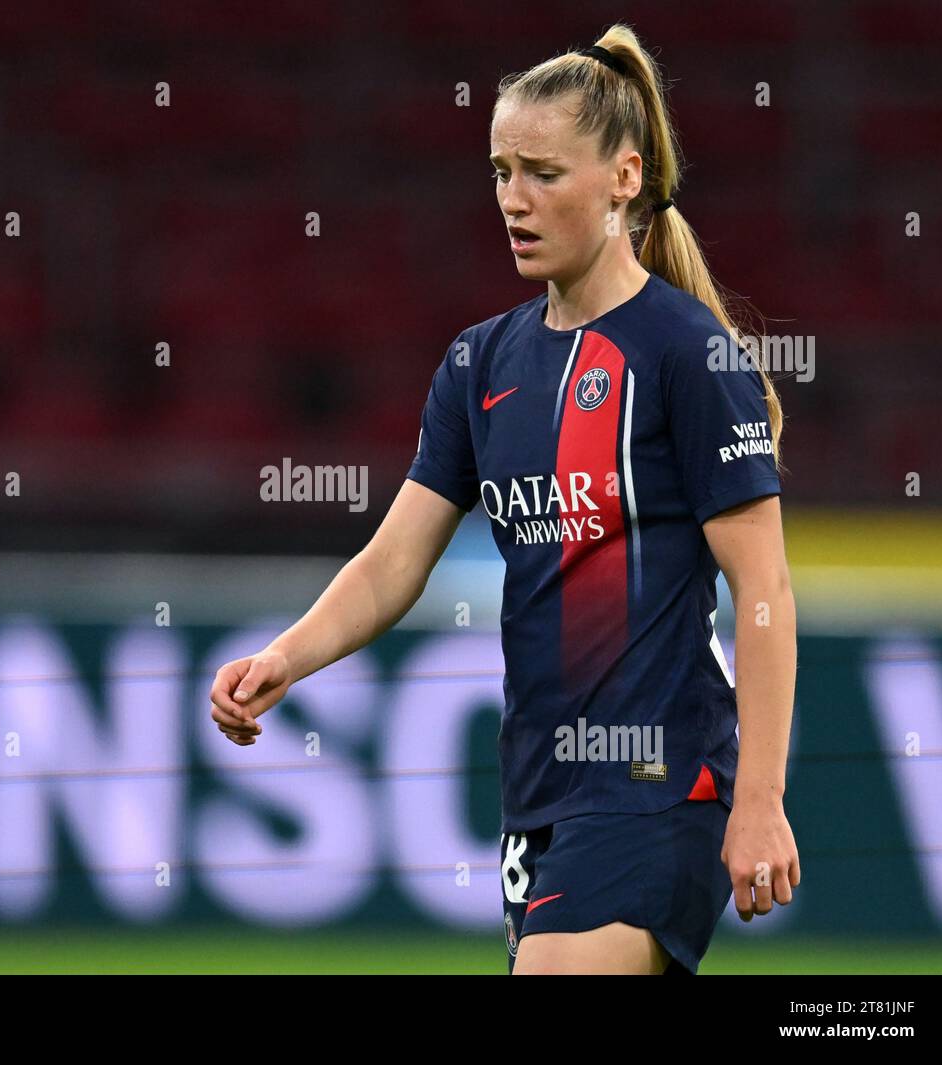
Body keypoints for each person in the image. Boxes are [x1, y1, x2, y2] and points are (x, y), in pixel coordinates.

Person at [209, 23, 799, 975]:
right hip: (537, 794)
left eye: (542, 173)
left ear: (622, 178)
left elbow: (764, 586)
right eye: (498, 172)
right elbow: (393, 561)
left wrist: (760, 797)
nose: (512, 202)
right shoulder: (480, 363)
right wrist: (286, 656)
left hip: (659, 780)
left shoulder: (688, 354)